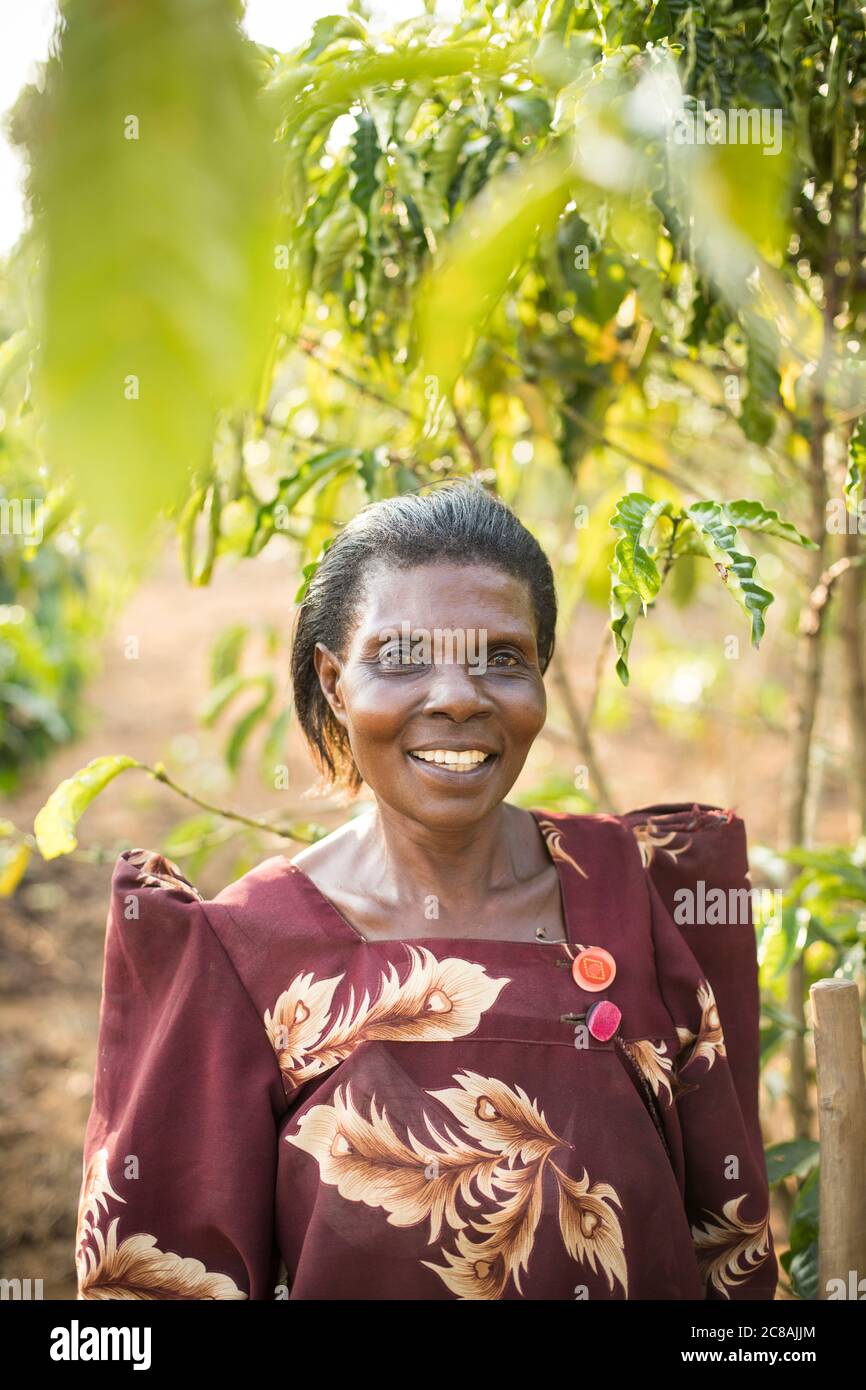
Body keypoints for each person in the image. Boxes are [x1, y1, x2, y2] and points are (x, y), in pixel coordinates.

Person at [75, 482, 777, 1300]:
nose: (457, 697)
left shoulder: (639, 897)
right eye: (402, 657)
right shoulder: (243, 955)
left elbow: (727, 1252)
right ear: (336, 684)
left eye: (502, 658)